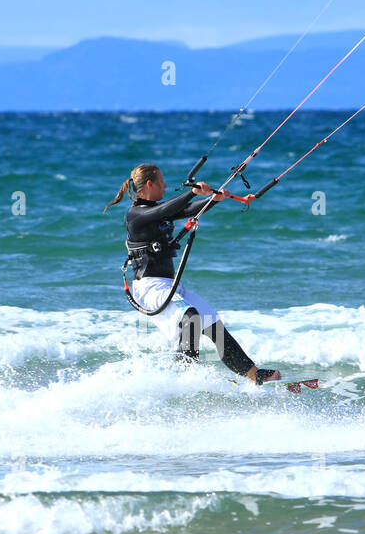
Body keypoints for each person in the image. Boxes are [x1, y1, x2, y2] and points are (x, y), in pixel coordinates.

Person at [104, 162, 281, 385]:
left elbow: (185, 210)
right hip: (149, 288)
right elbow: (165, 209)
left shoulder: (155, 211)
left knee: (212, 324)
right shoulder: (135, 215)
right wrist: (192, 192)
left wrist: (212, 201)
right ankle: (182, 381)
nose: (165, 185)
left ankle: (254, 375)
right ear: (149, 184)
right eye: (161, 182)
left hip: (170, 286)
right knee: (192, 319)